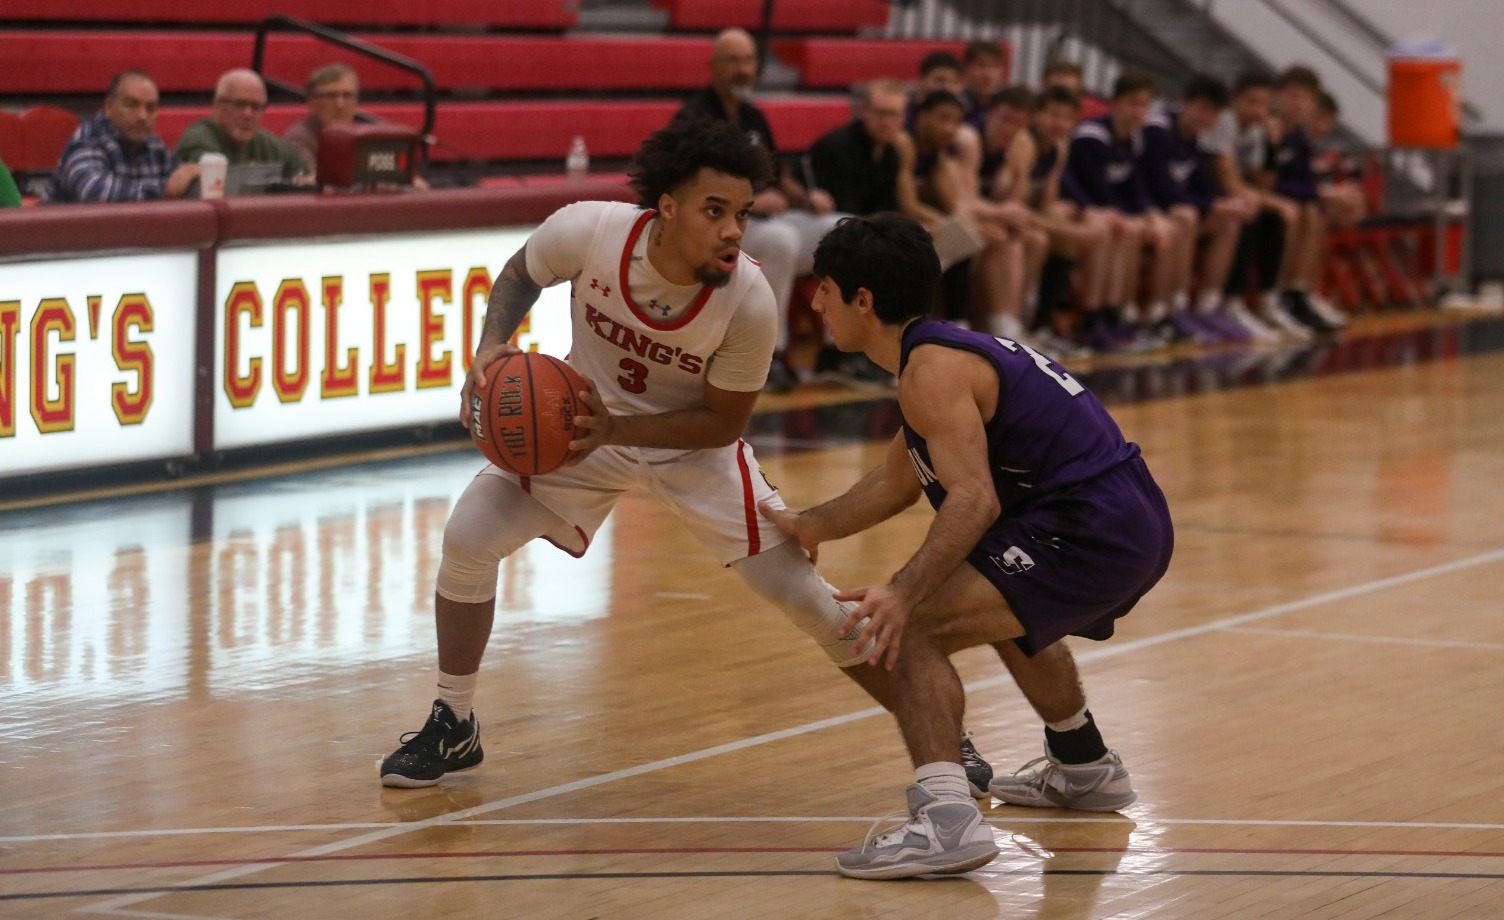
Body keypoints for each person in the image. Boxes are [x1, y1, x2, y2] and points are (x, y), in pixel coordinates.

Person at [376, 118, 997, 794]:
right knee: (467, 537)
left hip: (688, 448)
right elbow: (522, 273)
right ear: (666, 209)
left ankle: (944, 736)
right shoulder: (588, 230)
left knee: (809, 602)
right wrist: (492, 346)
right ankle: (453, 720)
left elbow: (720, 422)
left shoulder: (750, 301)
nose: (735, 229)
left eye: (743, 213)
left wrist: (614, 429)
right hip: (582, 427)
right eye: (716, 211)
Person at [763, 212, 1173, 879]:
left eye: (825, 289)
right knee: (1001, 605)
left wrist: (901, 593)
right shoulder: (936, 356)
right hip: (1124, 518)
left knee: (912, 626)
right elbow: (898, 482)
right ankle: (1083, 764)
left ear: (863, 300)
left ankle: (945, 820)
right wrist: (810, 525)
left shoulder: (932, 370)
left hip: (1092, 524)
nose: (814, 302)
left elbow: (975, 499)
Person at [673, 28, 846, 391]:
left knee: (841, 229)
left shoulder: (754, 116)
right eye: (733, 60)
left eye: (749, 60)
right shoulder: (694, 118)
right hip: (717, 229)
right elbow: (689, 185)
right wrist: (746, 201)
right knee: (782, 241)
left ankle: (840, 351)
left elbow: (779, 175)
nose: (743, 68)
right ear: (713, 67)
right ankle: (770, 354)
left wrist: (807, 197)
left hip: (765, 220)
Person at [1139, 74, 1257, 343]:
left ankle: (1208, 306)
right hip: (1146, 210)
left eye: (1213, 112)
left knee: (1228, 220)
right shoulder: (1157, 130)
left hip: (1170, 211)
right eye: (1202, 108)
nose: (1206, 117)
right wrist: (1213, 203)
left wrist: (1225, 204)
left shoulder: (1195, 138)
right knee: (1186, 216)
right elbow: (1161, 190)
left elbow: (1200, 186)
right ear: (1185, 103)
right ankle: (1164, 309)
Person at [1066, 71, 1176, 351]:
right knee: (1116, 228)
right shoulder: (1092, 136)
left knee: (1138, 227)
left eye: (1144, 105)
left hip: (1103, 208)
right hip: (1076, 204)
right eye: (1133, 103)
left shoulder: (1134, 139)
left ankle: (1117, 312)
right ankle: (1092, 317)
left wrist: (1153, 217)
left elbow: (1137, 191)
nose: (1139, 111)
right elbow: (1097, 190)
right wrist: (1126, 216)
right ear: (1114, 103)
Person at [1204, 69, 1286, 342]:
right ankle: (1227, 301)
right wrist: (1271, 201)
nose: (1259, 110)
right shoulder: (1224, 122)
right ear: (1235, 100)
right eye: (1252, 102)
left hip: (1228, 199)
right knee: (1246, 212)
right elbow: (1228, 181)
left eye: (1265, 104)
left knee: (1272, 218)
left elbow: (1262, 182)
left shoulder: (1255, 130)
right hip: (1205, 195)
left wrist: (1272, 148)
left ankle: (1270, 299)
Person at [1262, 65, 1344, 336]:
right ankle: (1275, 294)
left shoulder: (1297, 136)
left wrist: (1328, 196)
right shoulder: (1268, 129)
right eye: (1293, 96)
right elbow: (1268, 183)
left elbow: (1304, 183)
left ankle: (1298, 291)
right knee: (1301, 211)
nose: (1299, 104)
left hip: (1279, 201)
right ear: (1278, 96)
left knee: (1314, 212)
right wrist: (1323, 194)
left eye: (1306, 98)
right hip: (1255, 199)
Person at [41, 69, 199, 203]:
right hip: (67, 237)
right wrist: (166, 189)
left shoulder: (154, 145)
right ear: (109, 107)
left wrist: (192, 176)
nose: (142, 116)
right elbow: (94, 192)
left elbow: (181, 181)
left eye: (151, 108)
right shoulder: (89, 138)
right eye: (131, 105)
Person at [175, 68, 311, 184]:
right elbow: (219, 185)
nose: (248, 114)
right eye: (239, 105)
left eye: (256, 107)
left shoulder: (265, 141)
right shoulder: (199, 139)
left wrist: (305, 180)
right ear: (217, 106)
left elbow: (305, 174)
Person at [281, 63, 359, 168]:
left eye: (347, 95)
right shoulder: (298, 140)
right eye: (331, 96)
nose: (340, 104)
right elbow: (313, 181)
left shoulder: (363, 137)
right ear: (311, 103)